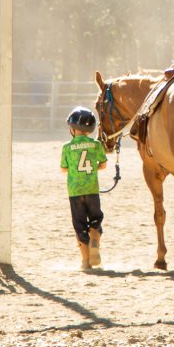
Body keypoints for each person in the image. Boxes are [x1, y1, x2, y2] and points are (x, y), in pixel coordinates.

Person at [60, 108, 108, 271]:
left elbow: (63, 168)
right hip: (92, 189)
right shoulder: (96, 145)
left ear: (73, 128)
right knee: (95, 218)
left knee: (79, 225)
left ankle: (86, 261)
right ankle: (95, 238)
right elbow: (103, 164)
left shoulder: (67, 147)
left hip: (75, 191)